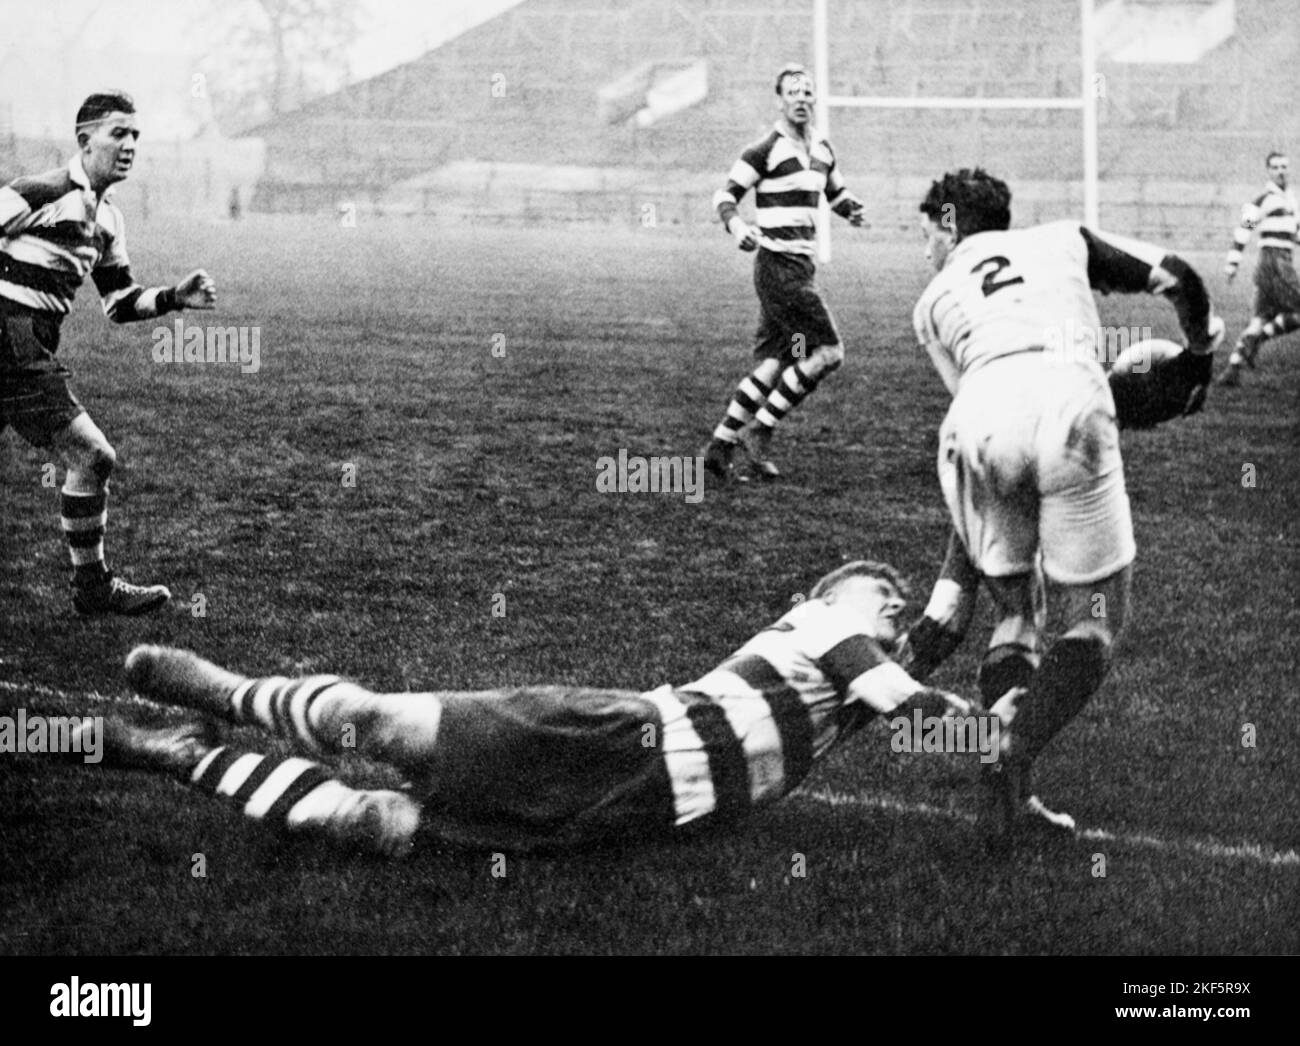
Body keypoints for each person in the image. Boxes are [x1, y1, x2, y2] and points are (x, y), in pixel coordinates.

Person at [89, 560, 983, 858]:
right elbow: (911, 696)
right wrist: (996, 736)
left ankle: (179, 756)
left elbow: (941, 623)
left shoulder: (863, 687)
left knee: (375, 821)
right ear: (838, 593)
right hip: (618, 730)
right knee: (385, 728)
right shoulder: (831, 621)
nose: (893, 603)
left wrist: (974, 550)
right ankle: (226, 693)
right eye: (883, 592)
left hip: (641, 810)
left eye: (900, 602)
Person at [910, 168, 1223, 849]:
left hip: (977, 429)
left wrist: (962, 566)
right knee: (1097, 621)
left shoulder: (932, 302)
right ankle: (1013, 751)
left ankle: (1010, 787)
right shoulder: (1063, 240)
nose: (926, 248)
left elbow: (987, 408)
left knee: (1019, 612)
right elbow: (1181, 279)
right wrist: (1197, 358)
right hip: (1072, 408)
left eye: (928, 232)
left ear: (953, 222)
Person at [0, 90, 217, 616]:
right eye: (118, 133)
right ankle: (93, 590)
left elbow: (119, 303)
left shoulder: (108, 221)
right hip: (13, 341)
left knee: (91, 459)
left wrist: (173, 298)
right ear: (85, 140)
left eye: (136, 135)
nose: (130, 145)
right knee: (92, 456)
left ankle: (93, 590)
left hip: (34, 342)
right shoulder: (40, 191)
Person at [703, 63, 864, 483]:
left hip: (800, 269)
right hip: (779, 268)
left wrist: (852, 210)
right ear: (780, 100)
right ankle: (761, 429)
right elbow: (725, 195)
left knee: (776, 361)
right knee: (828, 352)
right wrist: (738, 226)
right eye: (793, 92)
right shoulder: (765, 149)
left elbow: (835, 193)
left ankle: (720, 445)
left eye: (808, 92)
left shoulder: (823, 150)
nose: (802, 98)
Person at [1218, 150, 1300, 386]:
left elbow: (1294, 234)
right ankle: (1257, 341)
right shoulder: (1262, 199)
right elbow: (1243, 230)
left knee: (1260, 318)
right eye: (1275, 167)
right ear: (1268, 171)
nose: (1281, 171)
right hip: (1273, 263)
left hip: (1282, 260)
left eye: (1284, 166)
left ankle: (1233, 368)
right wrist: (1232, 263)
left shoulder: (1290, 199)